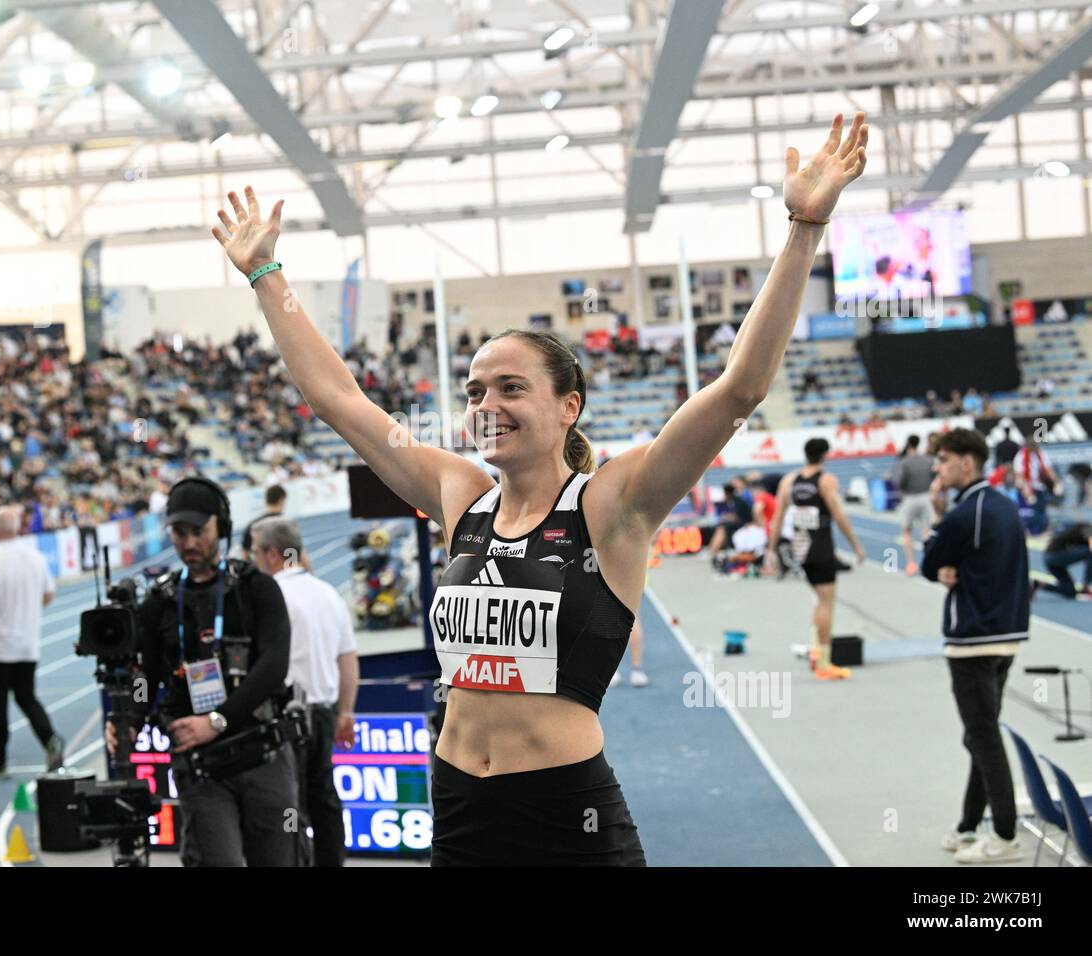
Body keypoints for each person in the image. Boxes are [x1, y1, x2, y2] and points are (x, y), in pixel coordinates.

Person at [208, 112, 868, 865]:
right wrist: (267, 273)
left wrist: (804, 226)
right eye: (475, 390)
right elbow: (340, 401)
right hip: (458, 807)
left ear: (568, 406)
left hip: (566, 817)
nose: (487, 406)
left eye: (511, 388)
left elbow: (740, 387)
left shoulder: (613, 505)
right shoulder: (459, 494)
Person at [107, 476, 299, 867]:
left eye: (199, 531)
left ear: (222, 528)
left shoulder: (256, 589)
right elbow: (146, 678)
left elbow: (274, 667)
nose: (190, 543)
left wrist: (217, 720)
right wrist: (130, 720)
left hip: (261, 754)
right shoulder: (159, 604)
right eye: (179, 533)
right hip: (200, 767)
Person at [920, 428, 1029, 865]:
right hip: (1007, 637)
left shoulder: (967, 513)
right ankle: (969, 825)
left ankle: (1004, 835)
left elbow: (930, 562)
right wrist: (955, 568)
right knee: (979, 734)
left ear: (967, 463)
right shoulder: (1003, 507)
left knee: (983, 736)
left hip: (973, 640)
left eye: (943, 459)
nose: (937, 467)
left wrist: (936, 515)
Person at [251, 516, 359, 867]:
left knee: (288, 805)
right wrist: (346, 712)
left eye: (255, 551)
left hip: (286, 719)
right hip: (325, 714)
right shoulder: (328, 593)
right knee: (325, 800)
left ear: (270, 553)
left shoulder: (272, 596)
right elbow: (348, 659)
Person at [0, 507, 66, 777]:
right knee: (27, 697)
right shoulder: (35, 557)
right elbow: (48, 595)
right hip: (27, 642)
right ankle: (51, 740)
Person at [766, 438, 867, 680]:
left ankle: (815, 654)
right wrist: (856, 545)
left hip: (801, 548)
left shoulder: (789, 481)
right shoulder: (826, 480)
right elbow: (839, 515)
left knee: (818, 600)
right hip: (820, 548)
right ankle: (823, 663)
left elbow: (778, 518)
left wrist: (771, 550)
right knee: (826, 603)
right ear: (824, 455)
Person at [894, 434, 936, 575]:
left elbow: (900, 482)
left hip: (910, 498)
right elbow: (934, 477)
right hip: (926, 497)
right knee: (926, 531)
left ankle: (911, 563)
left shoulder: (905, 462)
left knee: (907, 531)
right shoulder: (927, 460)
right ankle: (929, 561)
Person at [1038, 521, 1092, 600]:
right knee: (1090, 553)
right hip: (1054, 555)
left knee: (1070, 592)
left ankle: (1039, 584)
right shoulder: (1087, 528)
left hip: (1052, 561)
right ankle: (1086, 585)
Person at [239, 484, 287, 561]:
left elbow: (244, 553)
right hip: (281, 570)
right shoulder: (287, 525)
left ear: (266, 500)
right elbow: (293, 552)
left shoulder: (252, 525)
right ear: (281, 500)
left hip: (259, 569)